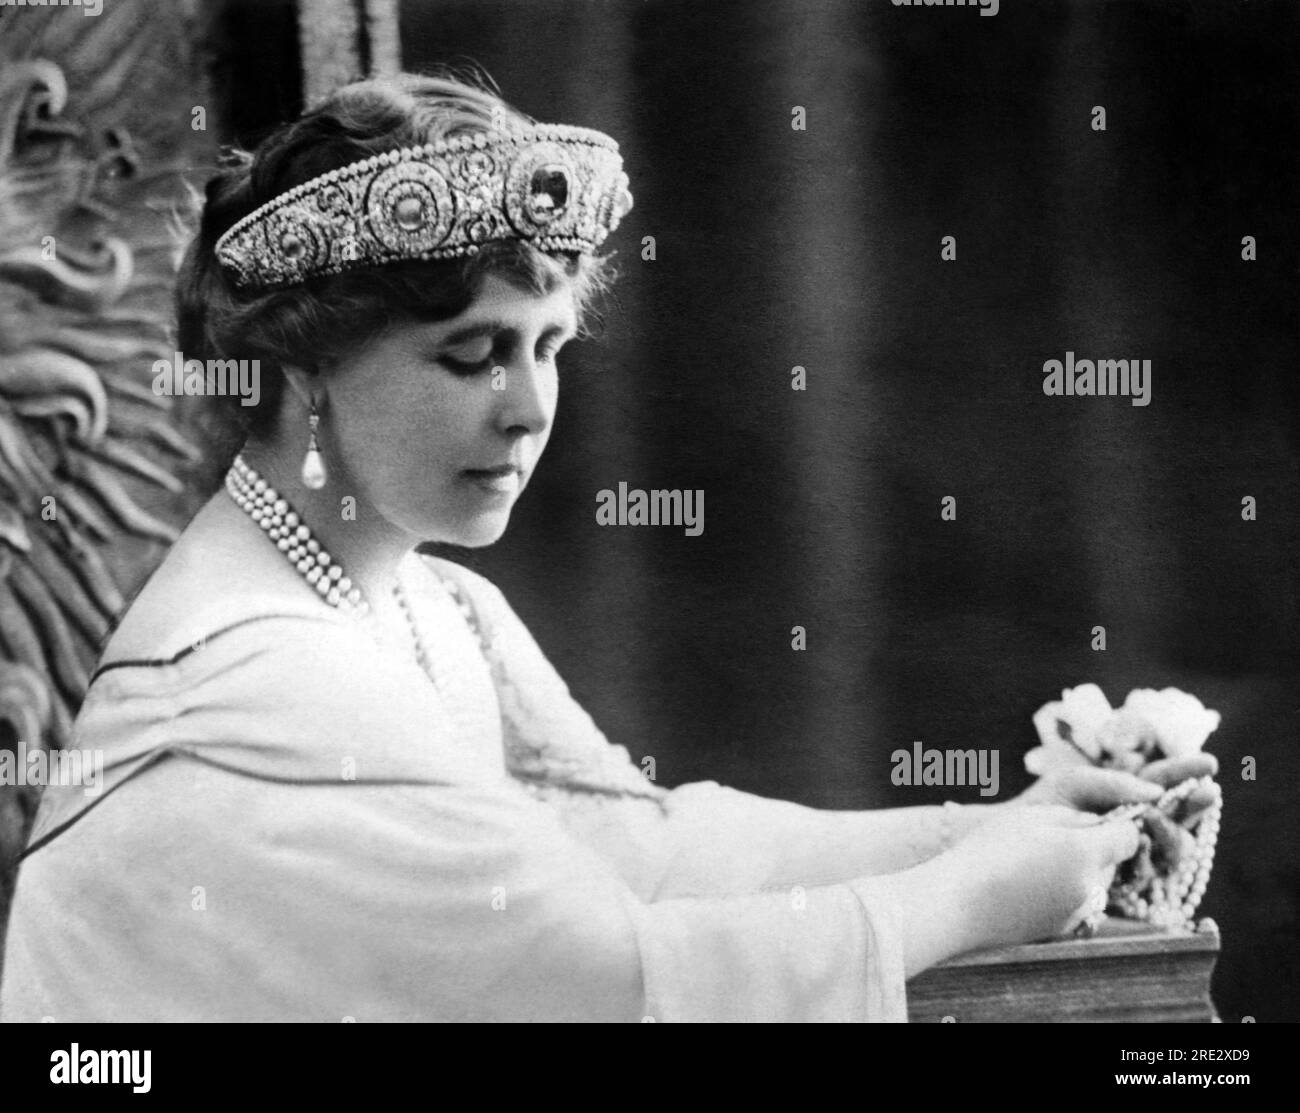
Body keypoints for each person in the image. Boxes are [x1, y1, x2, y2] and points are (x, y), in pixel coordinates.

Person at [0, 71, 1213, 1022]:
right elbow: (607, 983)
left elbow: (640, 845)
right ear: (303, 367)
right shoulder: (258, 673)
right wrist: (970, 895)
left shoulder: (434, 608)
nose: (529, 411)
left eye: (550, 350)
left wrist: (997, 823)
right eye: (472, 356)